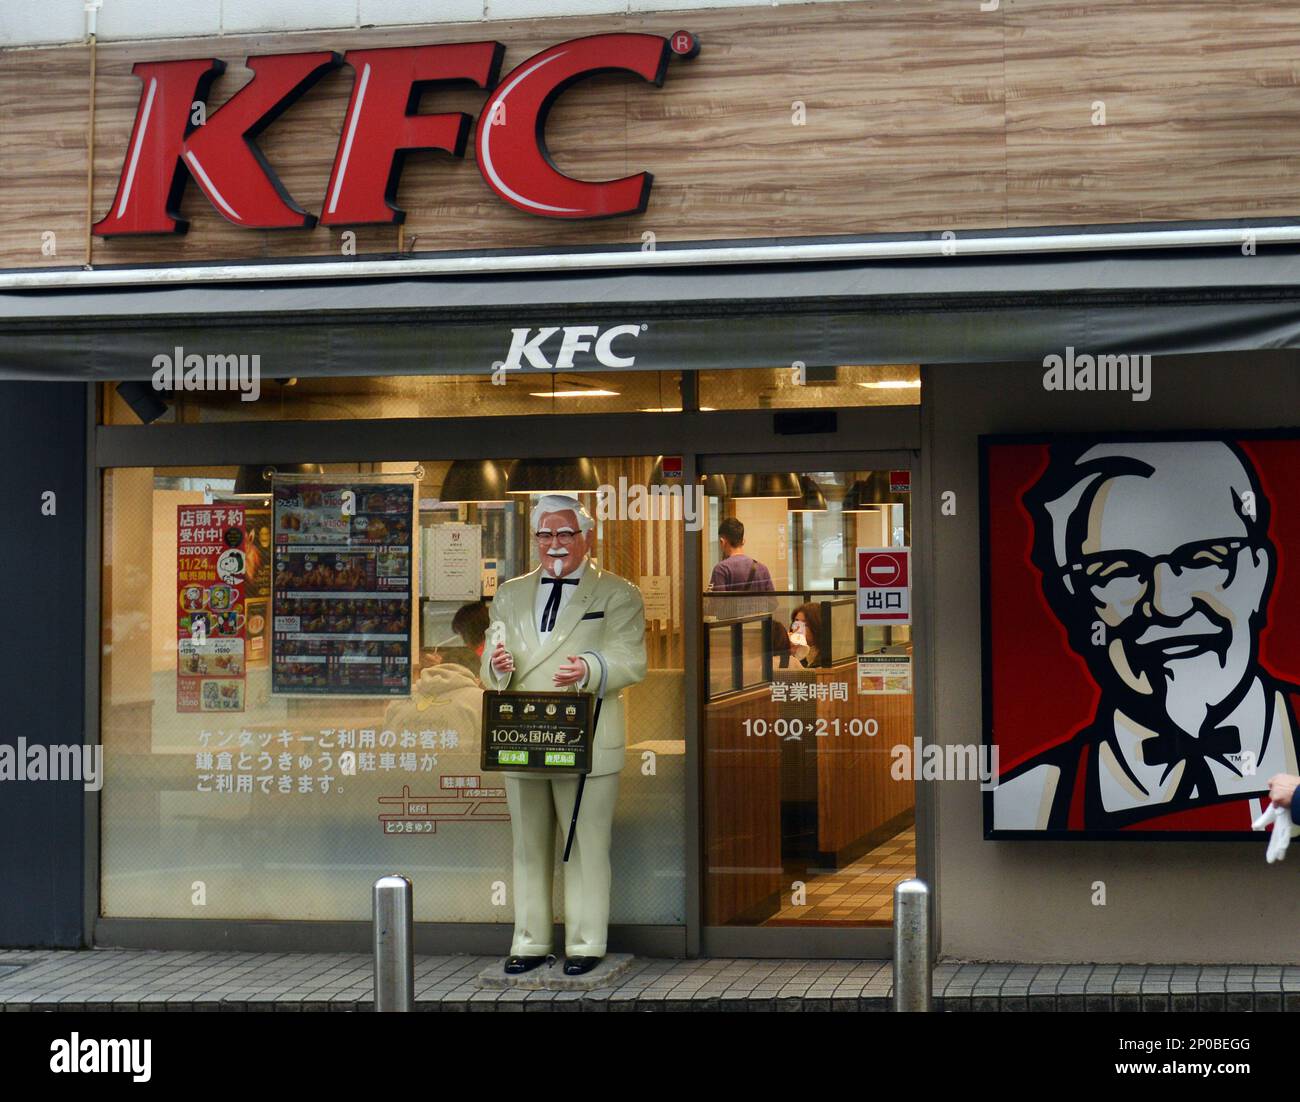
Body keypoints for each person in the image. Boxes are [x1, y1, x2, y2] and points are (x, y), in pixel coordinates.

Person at [993, 439, 1300, 833]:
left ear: (1259, 572)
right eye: (1116, 570)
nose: (1167, 606)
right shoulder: (1031, 801)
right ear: (1071, 603)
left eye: (1204, 559)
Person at [481, 494, 647, 977]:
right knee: (528, 845)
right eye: (545, 535)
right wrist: (495, 667)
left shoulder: (617, 592)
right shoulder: (510, 594)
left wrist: (591, 667)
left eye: (564, 534)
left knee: (585, 844)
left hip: (586, 734)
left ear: (586, 537)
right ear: (535, 539)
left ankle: (585, 942)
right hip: (522, 732)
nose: (555, 544)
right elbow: (492, 649)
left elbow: (632, 659)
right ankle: (529, 940)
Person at [706, 516, 776, 620]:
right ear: (743, 541)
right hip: (760, 629)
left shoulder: (721, 569)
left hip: (731, 629)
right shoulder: (762, 568)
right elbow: (773, 603)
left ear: (722, 541)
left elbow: (717, 606)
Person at [786, 602, 823, 668]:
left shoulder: (826, 658)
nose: (798, 628)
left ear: (816, 627)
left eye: (805, 625)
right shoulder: (792, 651)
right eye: (796, 622)